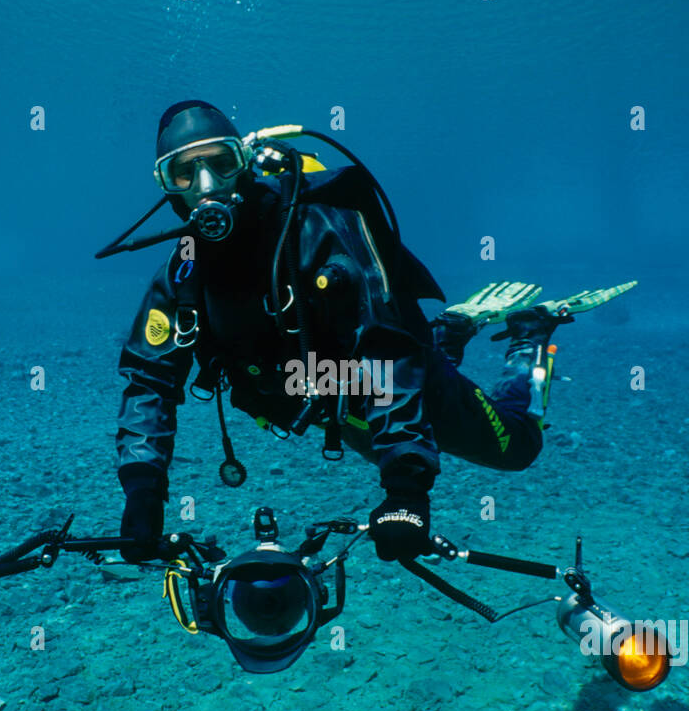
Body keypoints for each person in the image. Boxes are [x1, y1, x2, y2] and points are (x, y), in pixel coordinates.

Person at [111, 100, 595, 564]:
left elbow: (386, 348)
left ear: (244, 162)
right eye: (184, 172)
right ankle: (451, 330)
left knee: (519, 449)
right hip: (333, 406)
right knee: (387, 390)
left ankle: (530, 336)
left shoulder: (318, 229)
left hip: (395, 385)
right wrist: (142, 491)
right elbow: (149, 382)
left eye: (220, 161)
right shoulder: (182, 275)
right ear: (166, 186)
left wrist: (405, 486)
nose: (206, 184)